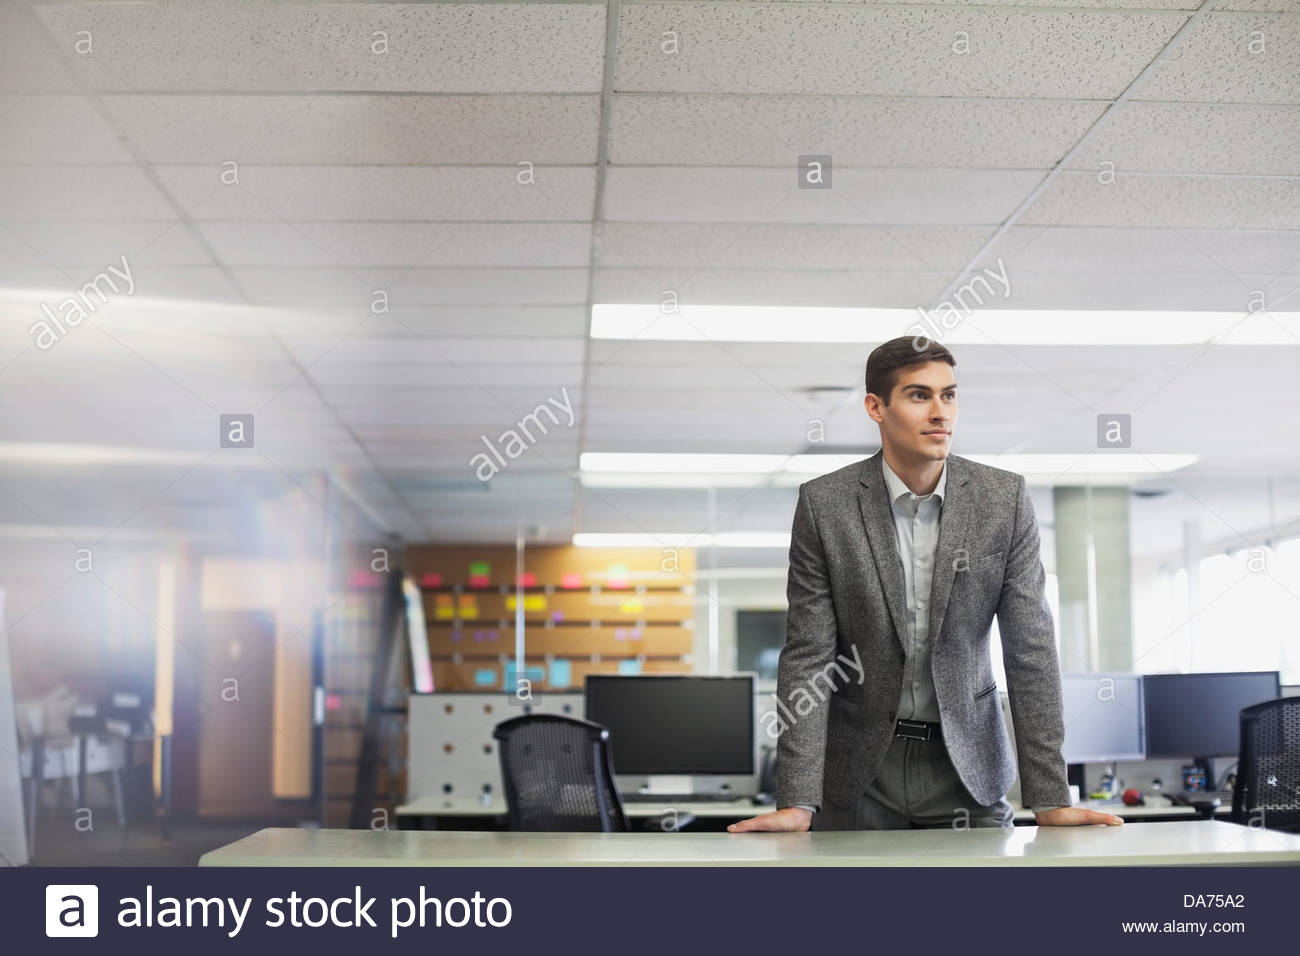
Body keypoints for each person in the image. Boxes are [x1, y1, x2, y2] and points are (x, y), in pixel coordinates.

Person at [729, 336, 1122, 832]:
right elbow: (808, 656)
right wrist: (797, 802)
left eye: (949, 395)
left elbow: (1031, 649)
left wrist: (1049, 796)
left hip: (968, 770)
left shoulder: (1002, 500)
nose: (941, 412)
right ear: (876, 406)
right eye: (919, 395)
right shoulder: (824, 506)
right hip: (860, 774)